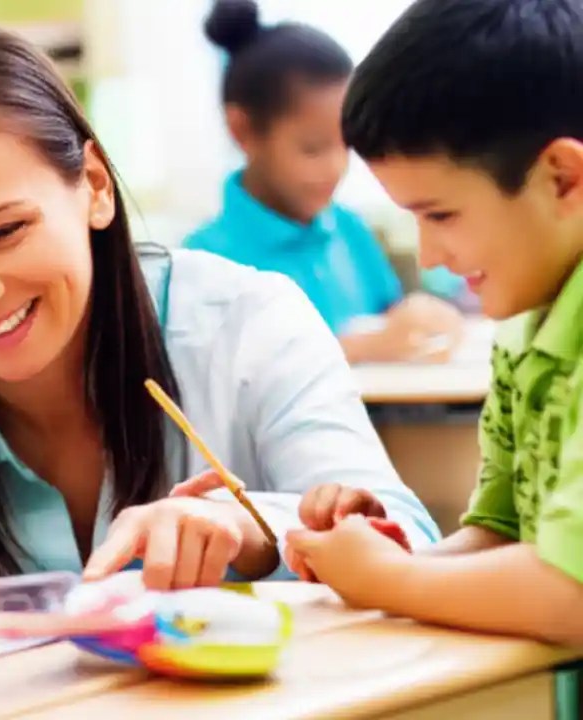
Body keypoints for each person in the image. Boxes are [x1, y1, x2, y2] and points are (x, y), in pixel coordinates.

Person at [0, 24, 438, 587]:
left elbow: (403, 537)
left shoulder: (248, 324)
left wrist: (248, 530)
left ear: (95, 187)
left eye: (4, 232)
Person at [287, 0, 583, 646]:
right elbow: (507, 534)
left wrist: (391, 581)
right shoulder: (525, 327)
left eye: (440, 215)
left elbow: (570, 593)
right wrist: (387, 562)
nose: (428, 256)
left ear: (563, 178)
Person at [185, 0, 465, 364]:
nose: (336, 167)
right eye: (313, 149)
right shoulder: (203, 262)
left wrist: (419, 322)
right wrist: (363, 348)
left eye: (346, 145)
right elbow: (223, 379)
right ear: (242, 130)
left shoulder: (350, 230)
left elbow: (393, 322)